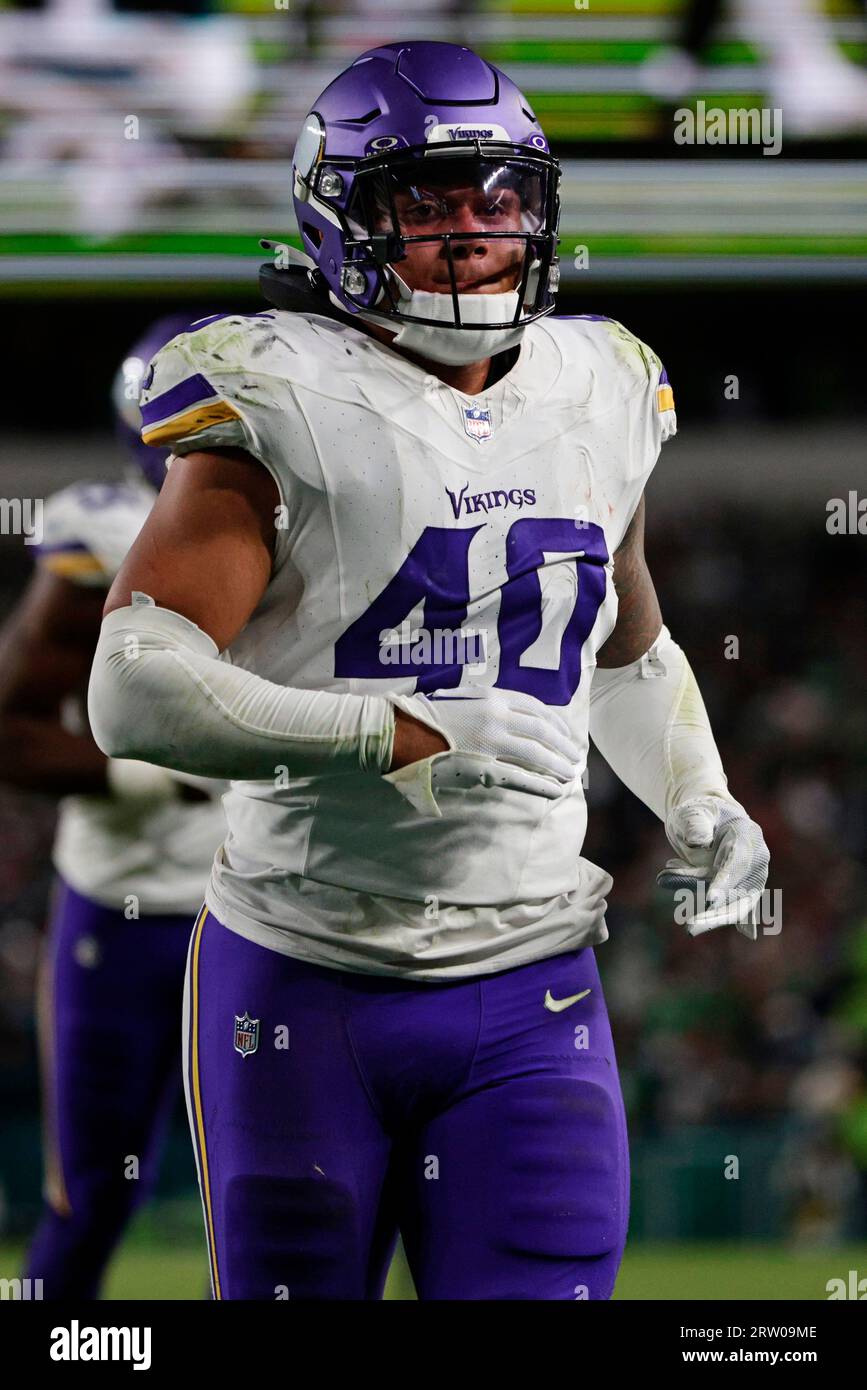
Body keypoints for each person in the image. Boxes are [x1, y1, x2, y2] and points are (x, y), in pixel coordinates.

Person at [88, 41, 770, 1300]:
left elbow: (625, 654)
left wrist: (701, 797)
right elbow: (133, 683)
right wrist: (390, 733)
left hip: (532, 985)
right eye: (427, 201)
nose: (471, 232)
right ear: (342, 217)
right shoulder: (276, 389)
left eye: (496, 197)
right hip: (302, 974)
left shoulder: (601, 384)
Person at [0, 317, 227, 1298]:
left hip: (269, 911)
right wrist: (149, 770)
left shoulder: (321, 523)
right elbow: (7, 731)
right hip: (125, 910)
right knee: (90, 1192)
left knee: (305, 1192)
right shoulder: (98, 528)